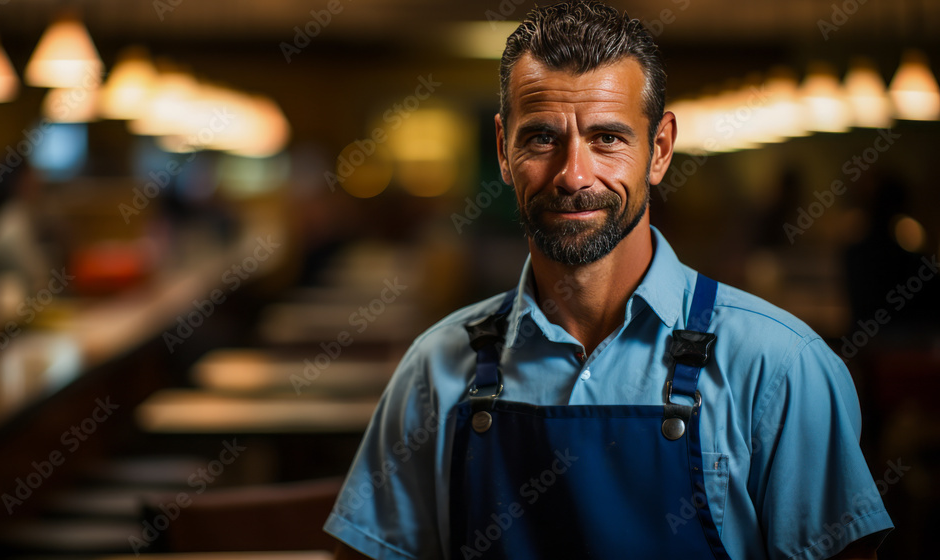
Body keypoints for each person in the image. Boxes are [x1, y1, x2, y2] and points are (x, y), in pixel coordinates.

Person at [324, 2, 894, 558]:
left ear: (660, 149)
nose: (574, 175)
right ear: (503, 149)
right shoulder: (435, 370)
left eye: (608, 139)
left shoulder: (779, 368)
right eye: (542, 138)